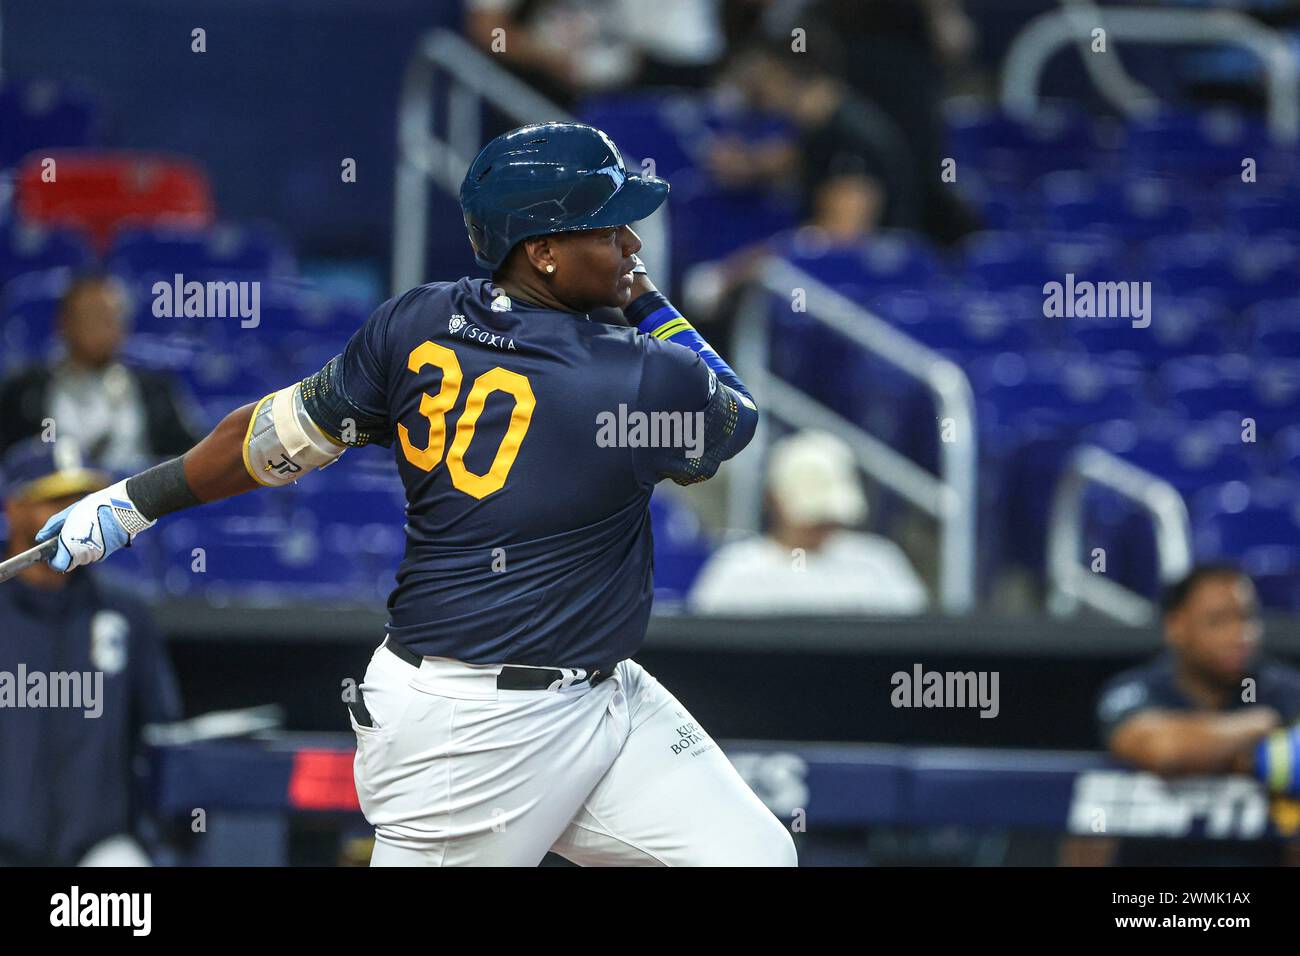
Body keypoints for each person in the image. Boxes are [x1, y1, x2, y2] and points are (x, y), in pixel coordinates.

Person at [25, 123, 795, 867]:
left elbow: (274, 441)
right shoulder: (635, 372)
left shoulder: (416, 321)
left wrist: (132, 501)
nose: (633, 246)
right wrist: (647, 302)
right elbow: (736, 414)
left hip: (599, 693)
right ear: (545, 253)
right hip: (477, 732)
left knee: (750, 854)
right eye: (611, 229)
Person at [0, 437, 181, 866]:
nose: (70, 516)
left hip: (98, 843)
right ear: (14, 507)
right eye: (55, 500)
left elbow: (160, 731)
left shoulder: (123, 611)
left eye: (81, 500)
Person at [1095, 564, 1300, 866]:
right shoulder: (1136, 689)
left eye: (1247, 618)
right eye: (1218, 621)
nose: (1239, 634)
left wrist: (1213, 752)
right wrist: (1262, 726)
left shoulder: (1281, 689)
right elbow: (1165, 751)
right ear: (1176, 626)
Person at [689, 429, 928, 615]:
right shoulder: (737, 571)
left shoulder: (878, 563)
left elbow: (919, 641)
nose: (822, 524)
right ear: (774, 499)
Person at [0, 272, 202, 468]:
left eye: (110, 318)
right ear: (64, 324)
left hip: (138, 497)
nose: (100, 328)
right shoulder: (25, 392)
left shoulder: (155, 390)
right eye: (90, 317)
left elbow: (190, 457)